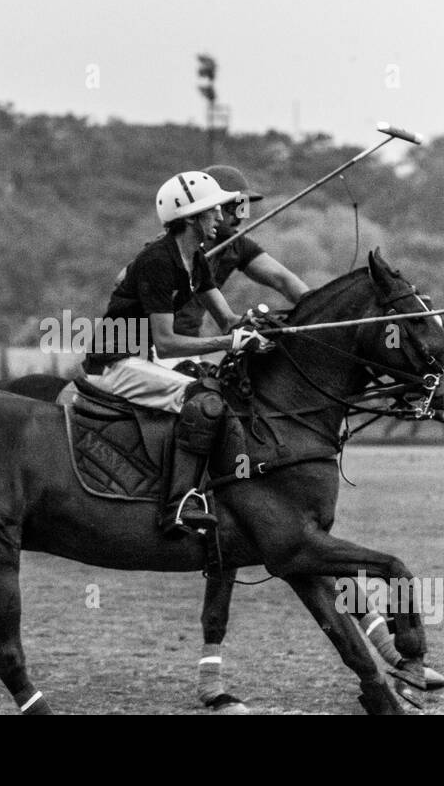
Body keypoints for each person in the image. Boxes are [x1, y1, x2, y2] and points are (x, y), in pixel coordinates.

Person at [83, 170, 271, 537]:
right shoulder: (159, 261)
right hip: (114, 363)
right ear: (190, 218)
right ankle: (179, 505)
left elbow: (227, 320)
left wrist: (259, 328)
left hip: (143, 360)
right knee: (200, 399)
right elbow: (167, 341)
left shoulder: (195, 259)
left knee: (221, 391)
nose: (221, 217)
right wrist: (227, 343)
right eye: (213, 211)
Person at [169, 165, 310, 339]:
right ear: (208, 208)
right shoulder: (169, 247)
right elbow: (127, 290)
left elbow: (283, 280)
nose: (241, 216)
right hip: (146, 345)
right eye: (236, 208)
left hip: (186, 344)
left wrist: (319, 308)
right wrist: (130, 349)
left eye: (244, 207)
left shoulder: (235, 245)